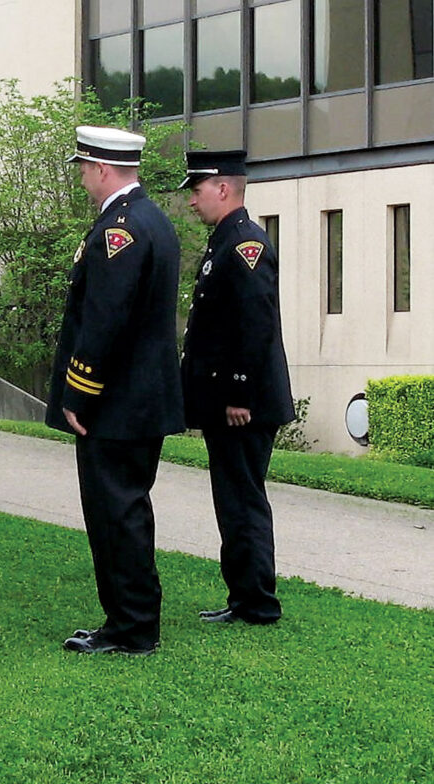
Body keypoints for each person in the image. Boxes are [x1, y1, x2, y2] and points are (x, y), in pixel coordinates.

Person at [46, 126, 184, 655]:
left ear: (103, 169)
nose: (82, 177)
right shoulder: (154, 219)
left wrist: (79, 393)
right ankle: (131, 619)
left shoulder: (118, 230)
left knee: (115, 513)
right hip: (139, 399)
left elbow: (106, 319)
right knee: (127, 510)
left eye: (84, 168)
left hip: (115, 403)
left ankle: (131, 628)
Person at [179, 149, 295, 625]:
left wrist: (239, 395)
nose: (192, 201)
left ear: (222, 188)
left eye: (197, 190)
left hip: (243, 405)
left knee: (242, 499)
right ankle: (244, 595)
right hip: (229, 400)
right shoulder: (225, 241)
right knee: (233, 498)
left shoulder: (246, 245)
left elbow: (255, 325)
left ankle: (257, 602)